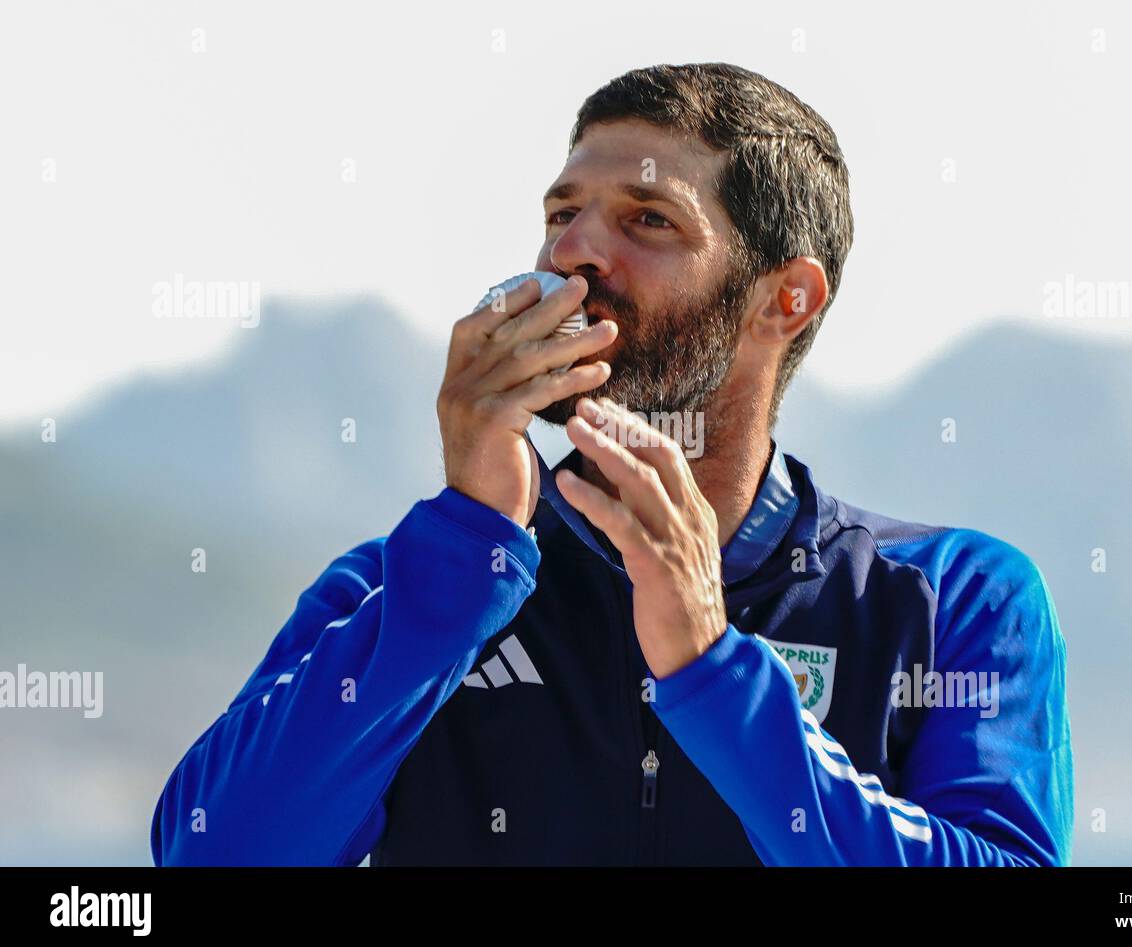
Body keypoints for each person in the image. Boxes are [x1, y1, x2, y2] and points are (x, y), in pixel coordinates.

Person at [151, 62, 1073, 866]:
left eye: (646, 219)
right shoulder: (398, 593)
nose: (571, 253)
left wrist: (710, 666)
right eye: (562, 214)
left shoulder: (953, 601)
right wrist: (466, 550)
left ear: (785, 299)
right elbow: (208, 853)